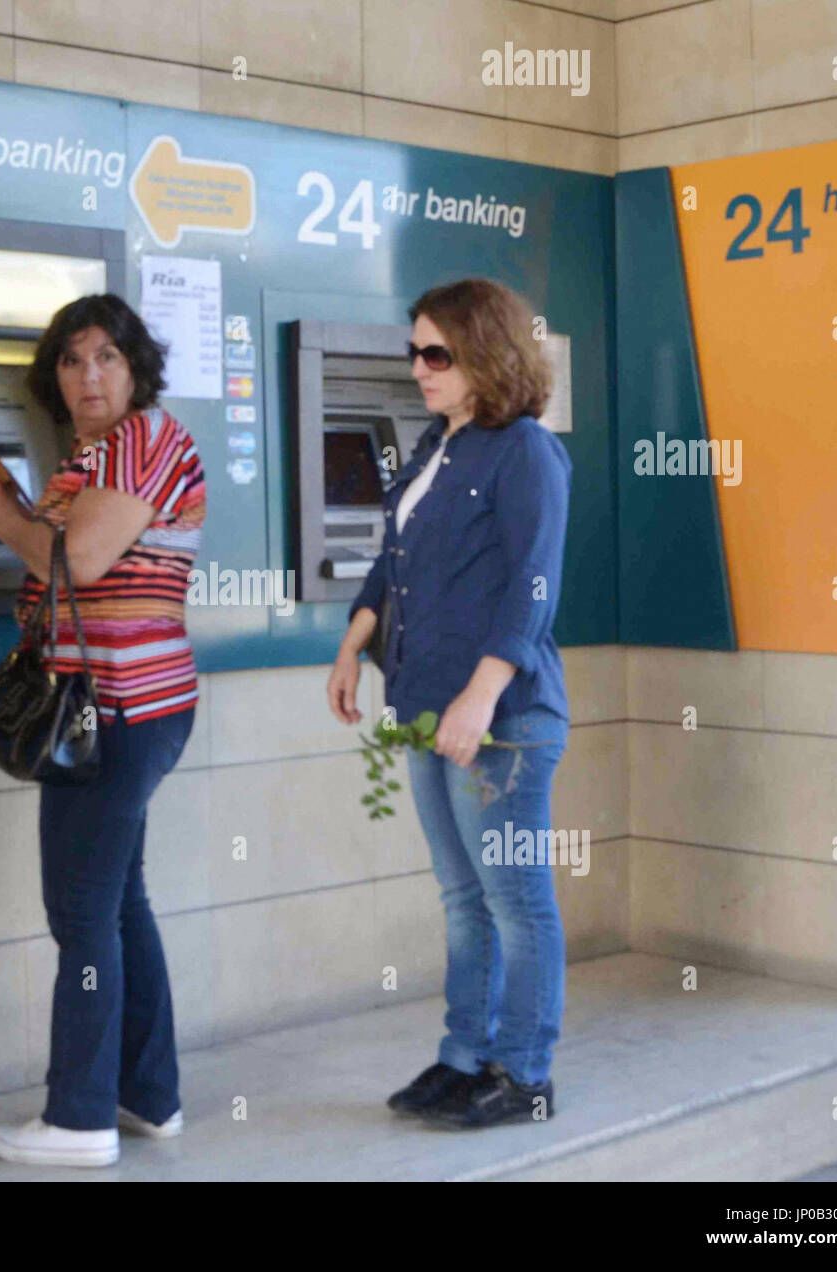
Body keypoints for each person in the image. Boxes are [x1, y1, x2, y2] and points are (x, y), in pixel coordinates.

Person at [0, 293, 205, 1168]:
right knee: (118, 901)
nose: (87, 375)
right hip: (130, 703)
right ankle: (147, 1094)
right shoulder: (97, 453)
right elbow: (71, 552)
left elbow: (81, 560)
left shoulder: (142, 439)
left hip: (118, 710)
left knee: (82, 912)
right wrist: (22, 509)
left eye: (105, 356)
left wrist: (1, 518)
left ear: (134, 366)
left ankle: (79, 1119)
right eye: (70, 360)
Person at [327, 278, 572, 1130]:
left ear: (485, 351)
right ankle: (465, 1057)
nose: (420, 368)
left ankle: (526, 1075)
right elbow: (391, 561)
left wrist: (481, 695)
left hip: (500, 720)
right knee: (463, 897)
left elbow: (533, 591)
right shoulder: (436, 445)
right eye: (415, 353)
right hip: (426, 707)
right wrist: (355, 643)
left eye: (438, 353)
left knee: (514, 899)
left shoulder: (525, 450)